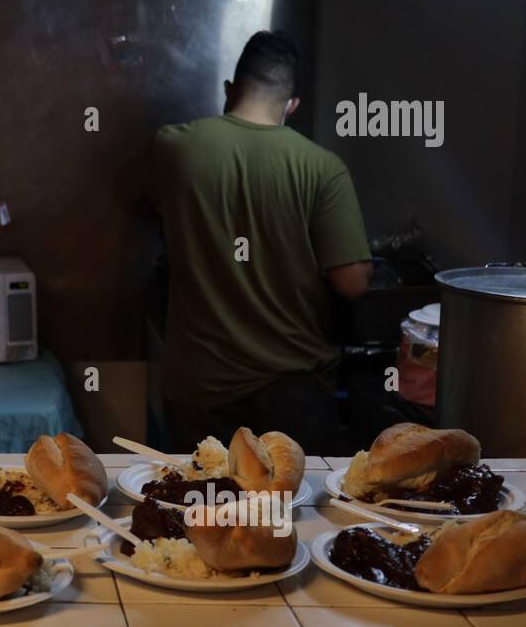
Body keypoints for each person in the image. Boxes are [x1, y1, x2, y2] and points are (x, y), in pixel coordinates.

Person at [139, 31, 372, 455]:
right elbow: (352, 282)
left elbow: (152, 206)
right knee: (295, 515)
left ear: (230, 90)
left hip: (201, 389)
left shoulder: (173, 149)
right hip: (293, 392)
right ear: (291, 105)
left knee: (202, 512)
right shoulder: (322, 167)